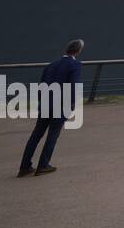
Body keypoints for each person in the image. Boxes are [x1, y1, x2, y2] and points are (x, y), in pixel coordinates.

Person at [18, 39, 84, 178]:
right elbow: (72, 86)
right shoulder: (75, 65)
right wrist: (72, 104)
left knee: (36, 135)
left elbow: (41, 86)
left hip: (46, 104)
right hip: (60, 106)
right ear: (78, 51)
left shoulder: (51, 65)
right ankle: (43, 165)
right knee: (52, 135)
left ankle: (24, 166)